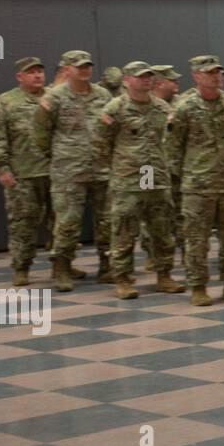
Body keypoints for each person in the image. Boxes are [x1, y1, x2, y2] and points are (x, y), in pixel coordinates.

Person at [169, 55, 224, 305]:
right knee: (197, 239)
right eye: (209, 73)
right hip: (198, 187)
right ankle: (198, 286)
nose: (216, 77)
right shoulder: (185, 108)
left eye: (219, 72)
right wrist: (188, 176)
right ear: (196, 76)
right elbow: (173, 147)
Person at [94, 62, 181, 299]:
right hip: (129, 178)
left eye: (149, 77)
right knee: (124, 230)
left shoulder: (162, 108)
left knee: (162, 229)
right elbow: (100, 143)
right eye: (141, 77)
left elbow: (171, 141)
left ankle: (164, 275)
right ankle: (122, 278)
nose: (146, 80)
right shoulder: (115, 108)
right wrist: (117, 167)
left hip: (155, 175)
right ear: (127, 80)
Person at [32, 50, 111, 289]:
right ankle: (62, 267)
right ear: (66, 69)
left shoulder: (103, 95)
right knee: (68, 222)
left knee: (107, 220)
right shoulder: (53, 98)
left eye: (87, 65)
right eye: (79, 66)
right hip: (69, 171)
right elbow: (40, 134)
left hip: (101, 168)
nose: (85, 70)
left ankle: (108, 266)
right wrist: (58, 156)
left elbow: (110, 128)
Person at [0, 56, 52, 286]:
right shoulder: (5, 102)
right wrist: (1, 168)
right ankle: (22, 268)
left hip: (57, 173)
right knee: (23, 224)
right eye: (31, 72)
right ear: (19, 77)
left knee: (63, 224)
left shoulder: (55, 98)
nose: (37, 75)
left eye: (40, 71)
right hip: (23, 175)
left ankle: (64, 265)